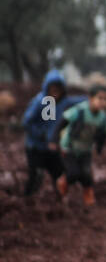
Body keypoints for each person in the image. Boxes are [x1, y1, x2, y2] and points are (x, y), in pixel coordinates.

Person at [21, 69, 77, 197]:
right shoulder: (40, 101)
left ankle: (61, 201)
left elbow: (77, 102)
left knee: (59, 174)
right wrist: (40, 134)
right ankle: (27, 200)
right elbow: (26, 122)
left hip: (50, 147)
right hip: (35, 147)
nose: (55, 92)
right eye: (53, 89)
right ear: (48, 88)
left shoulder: (62, 102)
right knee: (37, 175)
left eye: (58, 89)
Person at [57, 84, 106, 207]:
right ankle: (63, 182)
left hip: (86, 149)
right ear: (91, 98)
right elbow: (63, 121)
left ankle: (88, 194)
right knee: (73, 173)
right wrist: (54, 140)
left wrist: (99, 148)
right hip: (69, 147)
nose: (103, 102)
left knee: (86, 173)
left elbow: (104, 134)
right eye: (100, 98)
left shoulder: (102, 118)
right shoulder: (80, 110)